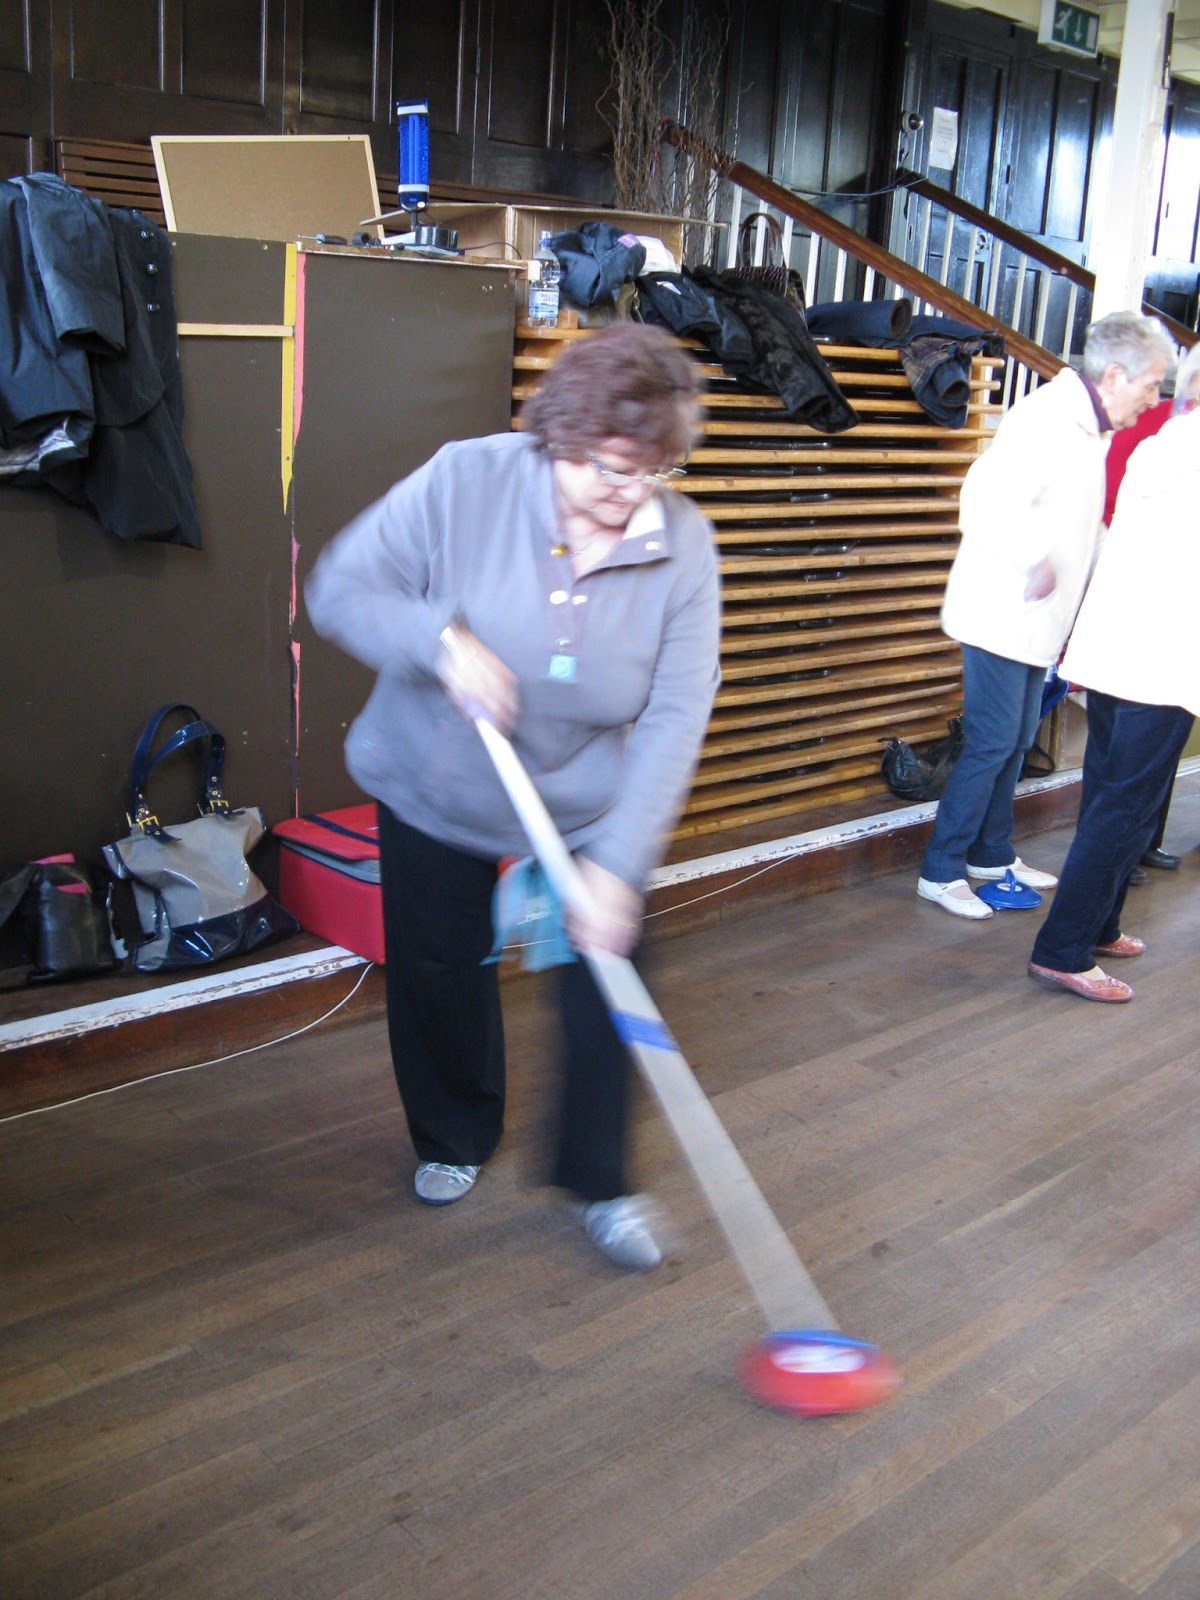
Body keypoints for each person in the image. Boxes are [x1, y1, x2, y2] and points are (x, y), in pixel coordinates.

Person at [304, 322, 720, 1270]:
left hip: (583, 797)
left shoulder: (683, 544)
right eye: (606, 468)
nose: (628, 493)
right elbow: (342, 588)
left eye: (651, 472)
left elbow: (675, 715)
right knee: (439, 965)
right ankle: (453, 1133)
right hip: (438, 775)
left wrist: (619, 868)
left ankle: (602, 1181)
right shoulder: (468, 480)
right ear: (558, 436)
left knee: (611, 974)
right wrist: (439, 642)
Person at [916, 312, 1175, 920]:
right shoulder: (1046, 419)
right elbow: (980, 499)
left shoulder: (1092, 429)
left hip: (1036, 623)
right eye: (1150, 385)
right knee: (992, 742)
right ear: (1115, 376)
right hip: (999, 613)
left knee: (1016, 741)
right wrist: (1033, 558)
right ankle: (941, 869)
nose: (1153, 400)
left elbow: (1085, 525)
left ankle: (992, 854)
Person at [1028, 371, 1200, 1002]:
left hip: (1116, 648)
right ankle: (1063, 949)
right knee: (1126, 809)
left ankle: (1099, 926)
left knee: (1110, 796)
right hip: (1162, 659)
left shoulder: (1160, 444)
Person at [1100, 342, 1200, 883]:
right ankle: (1120, 854)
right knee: (1121, 767)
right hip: (1142, 619)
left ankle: (1142, 845)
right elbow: (1111, 501)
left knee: (1154, 759)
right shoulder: (1156, 432)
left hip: (1164, 628)